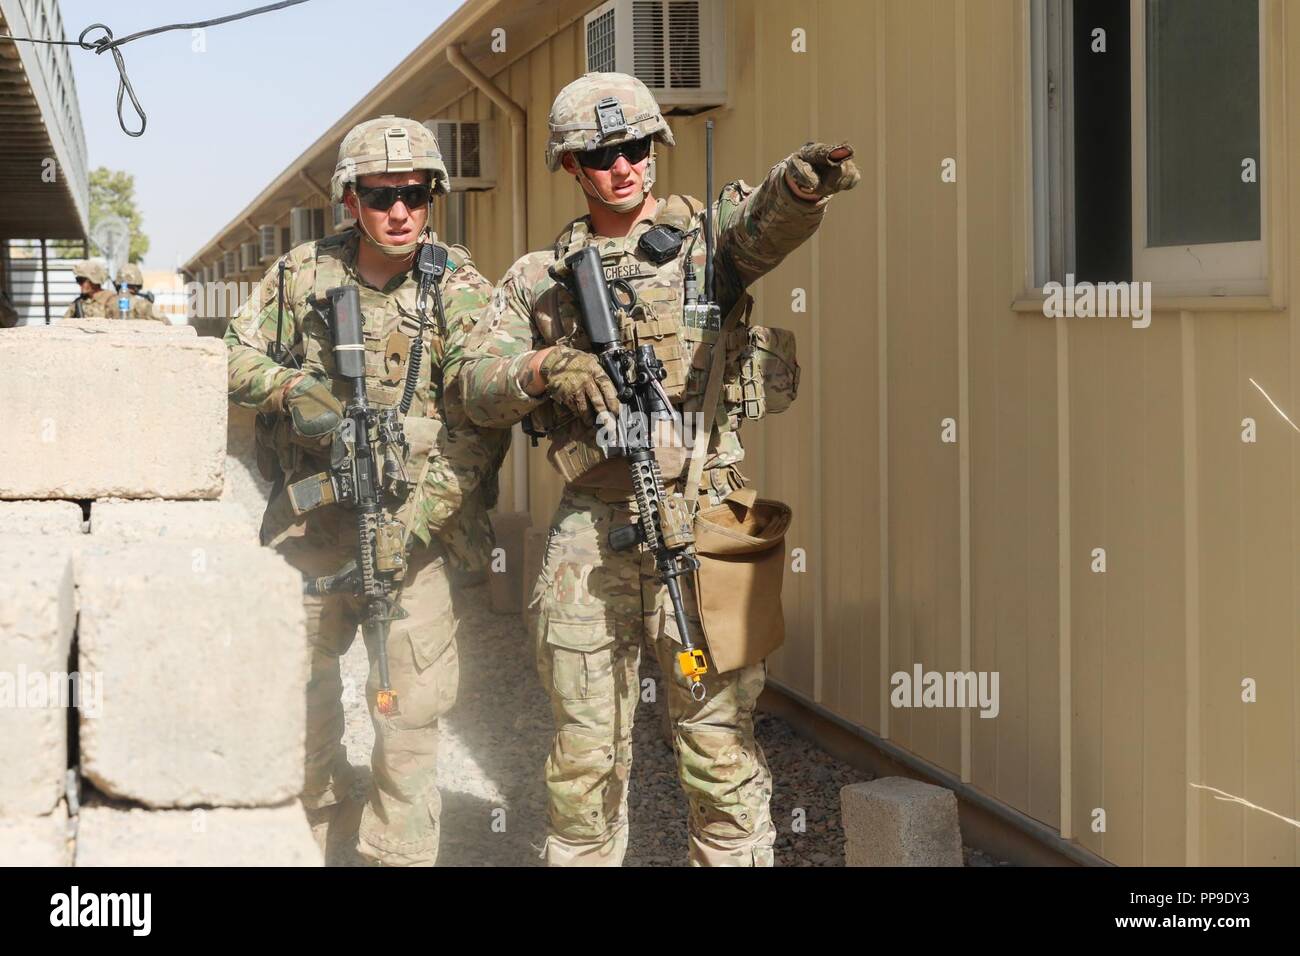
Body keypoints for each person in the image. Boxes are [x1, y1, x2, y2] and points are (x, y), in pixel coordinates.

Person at [449, 72, 859, 866]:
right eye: (601, 154)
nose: (623, 166)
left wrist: (803, 183)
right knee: (583, 760)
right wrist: (548, 367)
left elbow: (769, 223)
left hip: (700, 524)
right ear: (572, 165)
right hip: (592, 532)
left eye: (636, 146)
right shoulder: (543, 277)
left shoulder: (713, 246)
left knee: (719, 752)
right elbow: (475, 384)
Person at [224, 115, 508, 866]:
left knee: (408, 725)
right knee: (300, 706)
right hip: (312, 536)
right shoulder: (299, 274)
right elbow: (231, 357)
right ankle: (319, 831)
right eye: (382, 195)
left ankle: (397, 856)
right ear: (351, 199)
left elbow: (478, 427)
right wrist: (290, 388)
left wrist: (416, 523)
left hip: (412, 542)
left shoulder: (462, 287)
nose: (401, 212)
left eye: (416, 194)